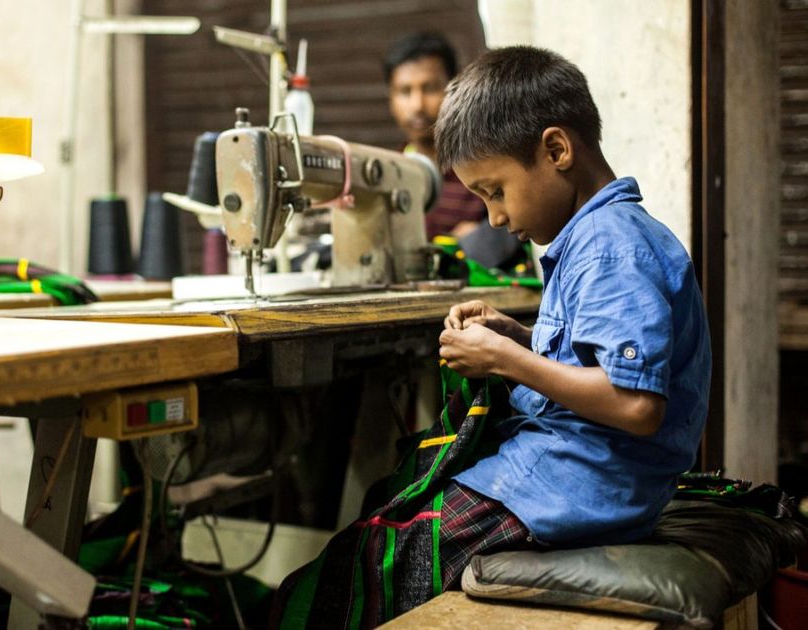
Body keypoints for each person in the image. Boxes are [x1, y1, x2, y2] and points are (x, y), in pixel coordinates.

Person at [272, 45, 711, 627]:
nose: (497, 219)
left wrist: (506, 359)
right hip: (571, 472)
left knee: (371, 562)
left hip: (580, 488)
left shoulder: (611, 247)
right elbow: (591, 359)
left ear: (556, 150)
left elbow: (635, 404)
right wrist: (520, 336)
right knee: (389, 502)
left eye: (496, 191)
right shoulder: (592, 239)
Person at [383, 32, 521, 268]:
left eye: (430, 88)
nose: (417, 105)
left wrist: (475, 240)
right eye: (405, 92)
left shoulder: (484, 167)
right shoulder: (386, 174)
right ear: (391, 99)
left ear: (453, 89)